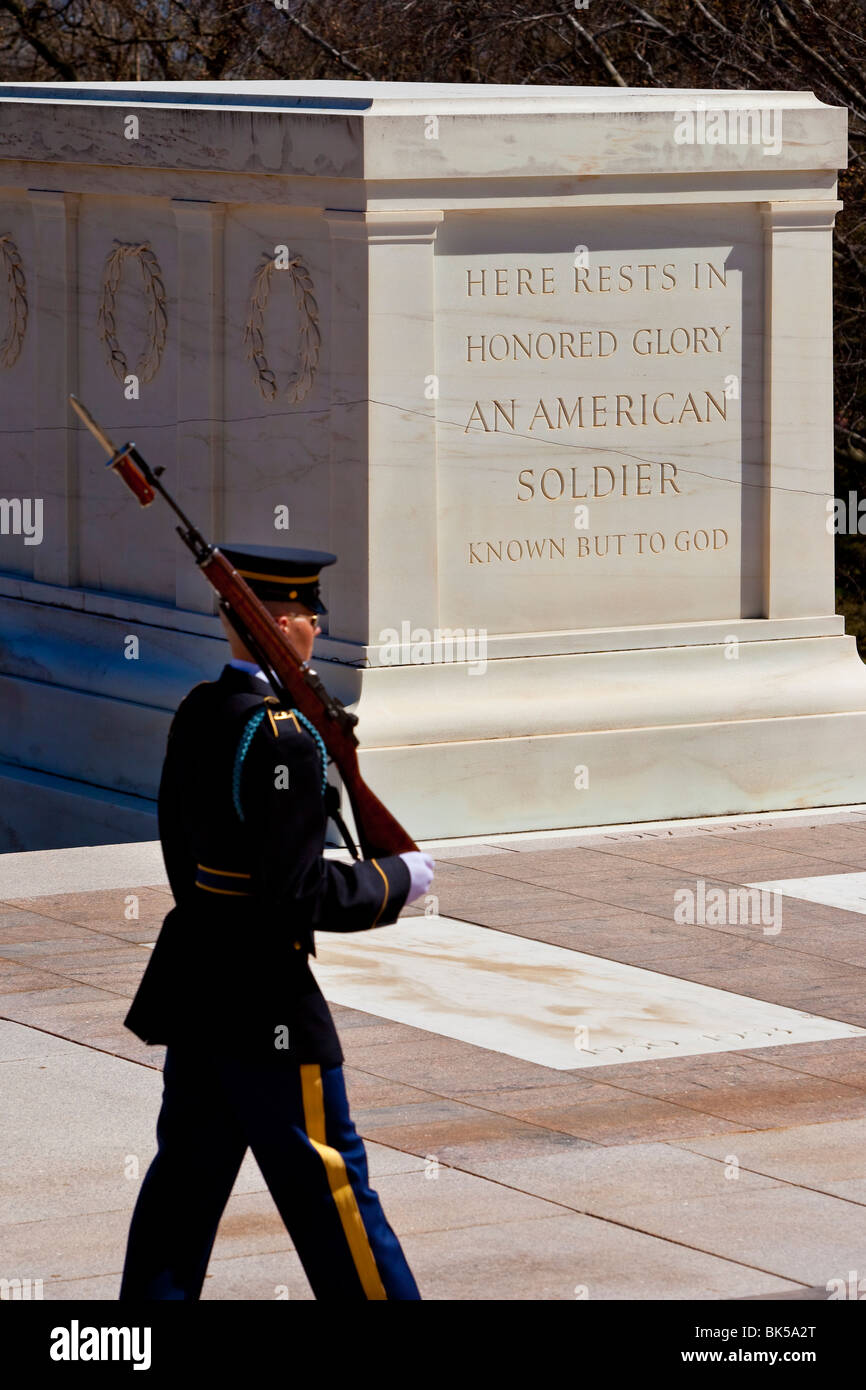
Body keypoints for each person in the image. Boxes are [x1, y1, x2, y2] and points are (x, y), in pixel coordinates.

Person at [118, 543, 434, 1301]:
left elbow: (180, 857)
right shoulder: (283, 735)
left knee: (181, 1192)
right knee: (332, 1189)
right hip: (267, 1005)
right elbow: (297, 895)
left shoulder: (199, 710)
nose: (316, 628)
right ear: (276, 623)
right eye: (304, 615)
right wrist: (395, 881)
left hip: (196, 986)